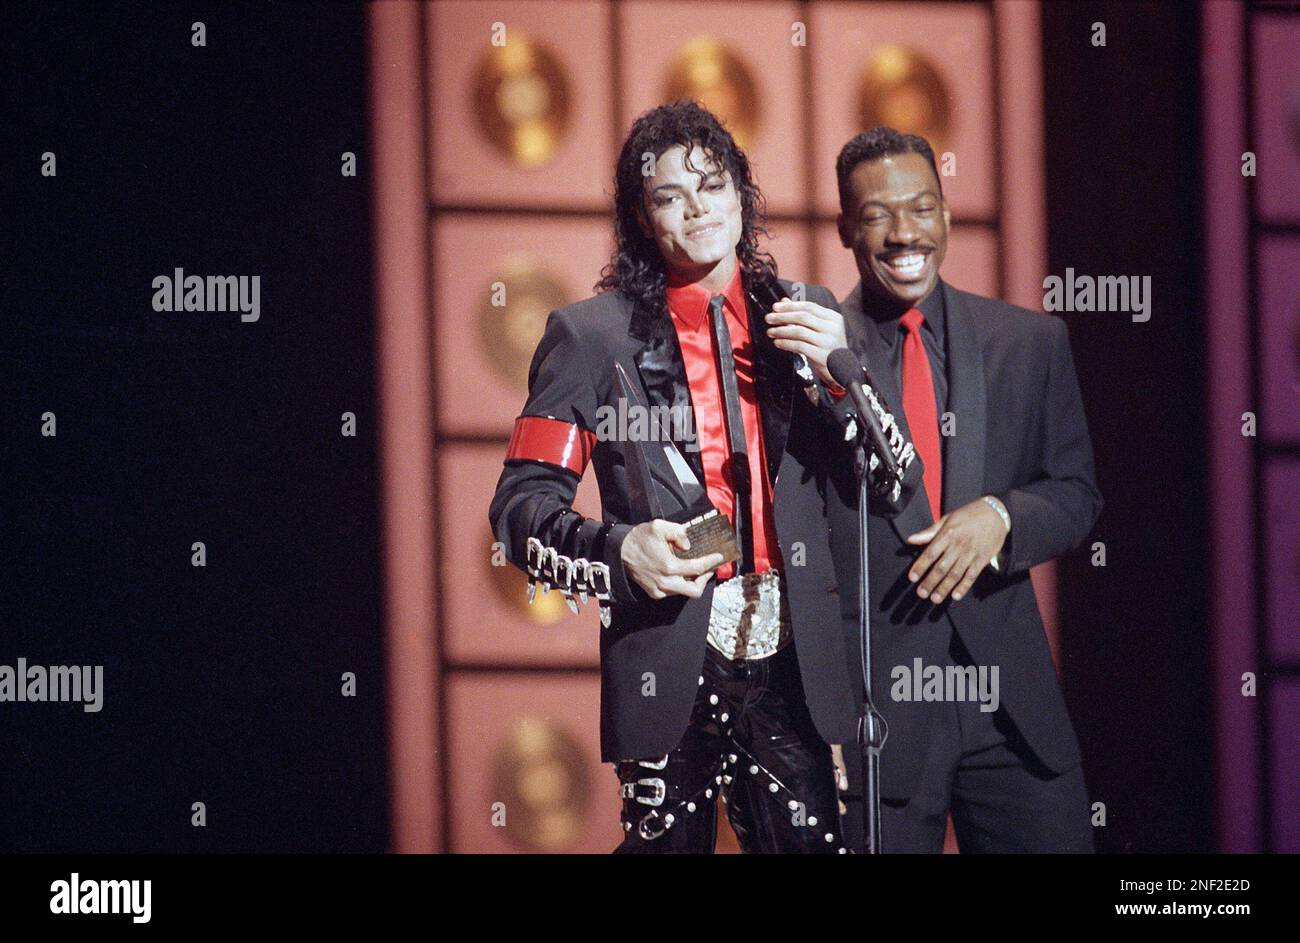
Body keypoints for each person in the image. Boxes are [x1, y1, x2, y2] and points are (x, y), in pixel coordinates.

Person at [488, 102, 914, 852]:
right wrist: (618, 550)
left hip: (794, 665)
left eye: (712, 186)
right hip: (667, 659)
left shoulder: (806, 313)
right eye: (669, 197)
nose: (697, 209)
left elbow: (896, 485)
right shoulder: (590, 337)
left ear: (742, 195)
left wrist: (844, 373)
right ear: (641, 218)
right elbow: (519, 510)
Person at [814, 127, 1103, 852]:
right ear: (846, 226)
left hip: (1012, 709)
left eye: (921, 208)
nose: (904, 232)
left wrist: (1003, 516)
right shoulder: (812, 357)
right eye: (877, 214)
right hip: (874, 721)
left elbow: (1076, 492)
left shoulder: (1028, 341)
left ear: (945, 214)